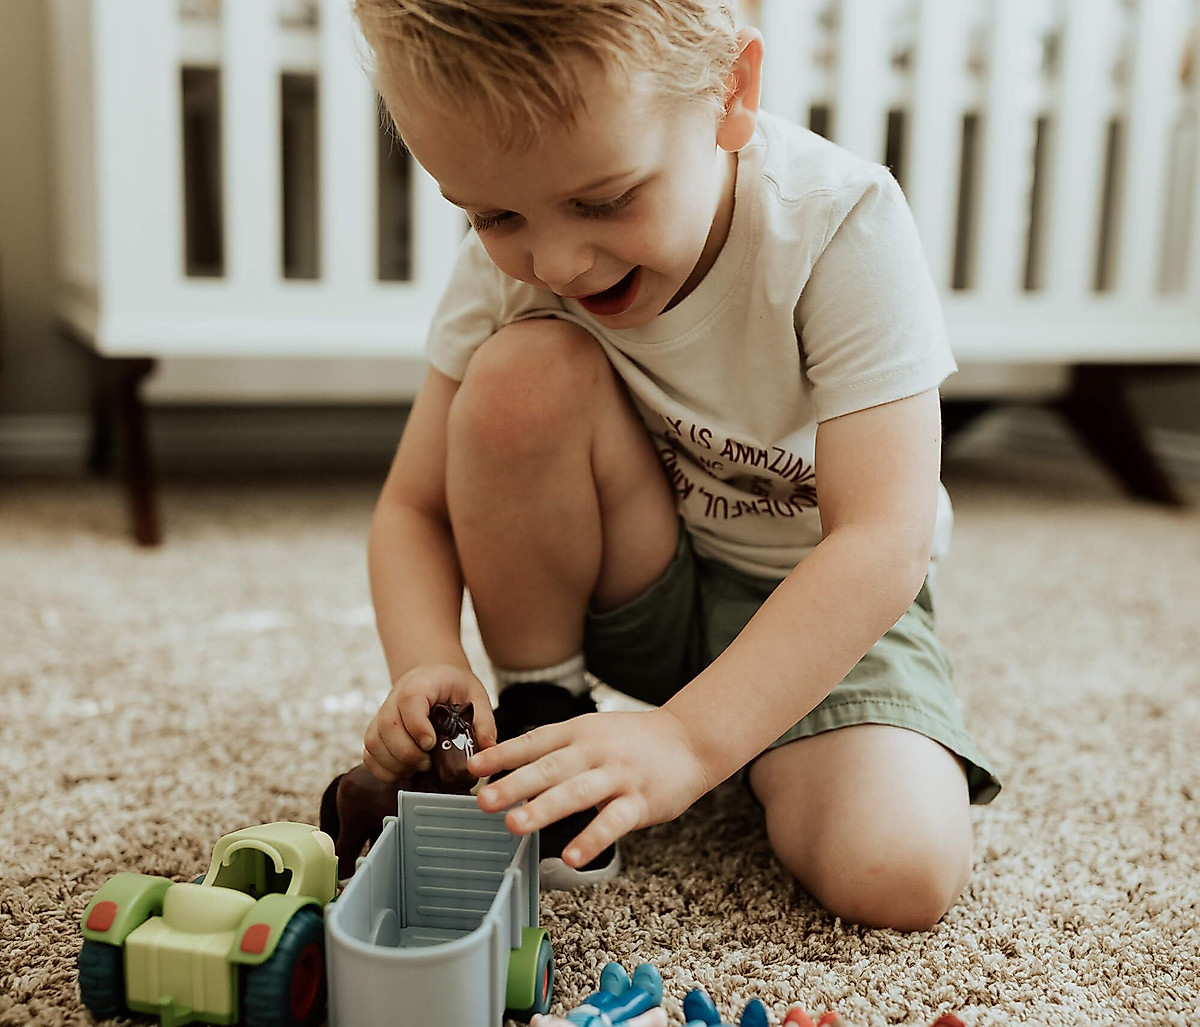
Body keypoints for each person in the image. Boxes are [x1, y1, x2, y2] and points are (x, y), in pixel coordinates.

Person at [345, 0, 1001, 924]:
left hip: (817, 603)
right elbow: (412, 509)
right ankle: (544, 708)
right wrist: (425, 663)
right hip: (630, 583)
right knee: (522, 372)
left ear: (731, 90)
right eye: (493, 214)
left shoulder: (837, 223)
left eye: (604, 201)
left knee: (897, 872)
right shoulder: (515, 266)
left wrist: (691, 743)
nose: (559, 260)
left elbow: (883, 541)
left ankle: (738, 737)